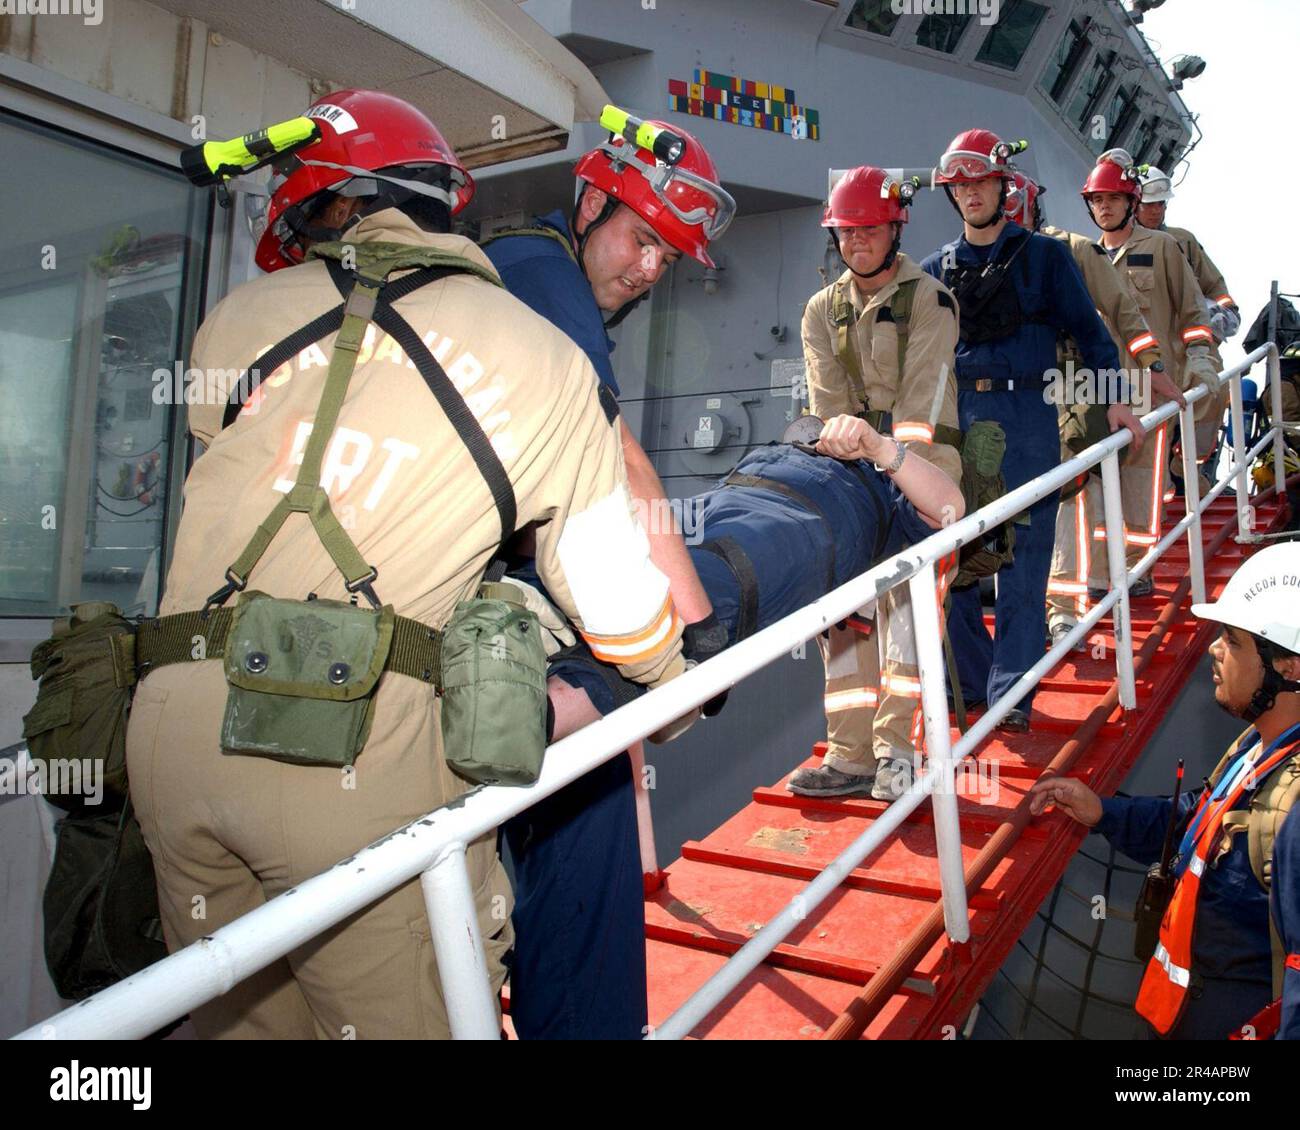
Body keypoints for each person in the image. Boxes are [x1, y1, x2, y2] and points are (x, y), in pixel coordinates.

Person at [124, 89, 686, 1039]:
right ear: (440, 204)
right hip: (352, 757)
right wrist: (673, 682)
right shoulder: (542, 357)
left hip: (169, 746)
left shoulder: (232, 321)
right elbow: (623, 613)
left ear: (320, 206)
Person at [481, 114, 735, 1040]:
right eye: (641, 239)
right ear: (589, 201)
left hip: (486, 606)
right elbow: (618, 459)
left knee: (569, 819)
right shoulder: (542, 273)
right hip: (469, 623)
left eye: (668, 256)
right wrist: (700, 637)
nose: (651, 270)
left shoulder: (531, 272)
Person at [1030, 543, 1300, 1040]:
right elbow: (1196, 824)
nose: (1215, 651)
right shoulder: (1253, 750)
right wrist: (1102, 813)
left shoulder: (1295, 808)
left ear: (1289, 668)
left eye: (1233, 642)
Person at [920, 130, 1140, 733]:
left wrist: (1116, 402)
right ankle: (969, 683)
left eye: (980, 183)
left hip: (1028, 419)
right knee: (953, 559)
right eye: (959, 187)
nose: (970, 195)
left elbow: (1092, 334)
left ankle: (1010, 695)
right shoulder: (934, 270)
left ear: (1001, 186)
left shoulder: (1045, 259)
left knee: (1024, 557)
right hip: (959, 423)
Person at [789, 165, 960, 801]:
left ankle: (899, 755)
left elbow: (921, 404)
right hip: (855, 469)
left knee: (908, 616)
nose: (856, 242)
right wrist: (852, 456)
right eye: (845, 231)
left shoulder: (931, 301)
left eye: (868, 230)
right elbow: (828, 404)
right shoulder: (820, 310)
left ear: (895, 229)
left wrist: (890, 459)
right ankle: (850, 756)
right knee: (846, 617)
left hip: (922, 466)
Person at [1001, 173, 1182, 644]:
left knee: (1071, 493)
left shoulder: (1076, 251)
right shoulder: (993, 262)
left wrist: (1152, 365)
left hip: (1076, 390)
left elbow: (1123, 312)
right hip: (1018, 399)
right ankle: (1045, 605)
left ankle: (1063, 609)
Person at [1081, 149, 1222, 603]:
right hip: (1099, 392)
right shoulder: (1083, 255)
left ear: (1130, 200)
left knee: (1142, 489)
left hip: (1147, 390)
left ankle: (1137, 572)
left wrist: (1200, 361)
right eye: (1097, 200)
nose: (1104, 207)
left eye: (1112, 199)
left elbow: (1194, 314)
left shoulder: (1162, 248)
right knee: (1096, 490)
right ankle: (1100, 579)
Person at [1138, 165, 1240, 477]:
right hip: (1147, 352)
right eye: (1150, 203)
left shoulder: (1184, 243)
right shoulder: (1120, 247)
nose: (1157, 210)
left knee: (1214, 391)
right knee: (1152, 419)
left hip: (1193, 346)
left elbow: (1216, 288)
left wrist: (1224, 315)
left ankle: (1186, 468)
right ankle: (1162, 487)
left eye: (1161, 203)